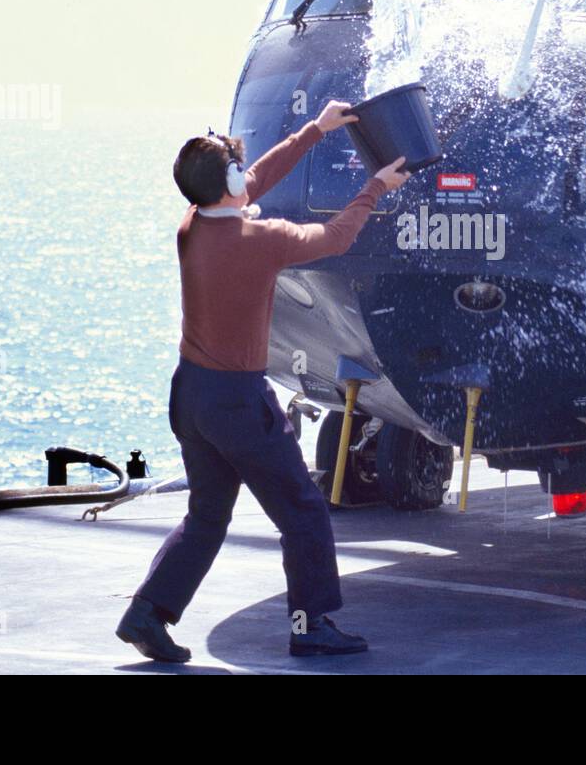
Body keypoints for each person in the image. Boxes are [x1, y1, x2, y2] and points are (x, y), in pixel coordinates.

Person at [116, 101, 410, 663]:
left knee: (206, 514)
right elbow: (337, 237)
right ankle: (311, 625)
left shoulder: (192, 225)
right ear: (226, 182)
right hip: (237, 402)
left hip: (192, 395)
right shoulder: (262, 240)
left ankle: (146, 613)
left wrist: (315, 131)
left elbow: (248, 183)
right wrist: (375, 187)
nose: (242, 176)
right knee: (302, 509)